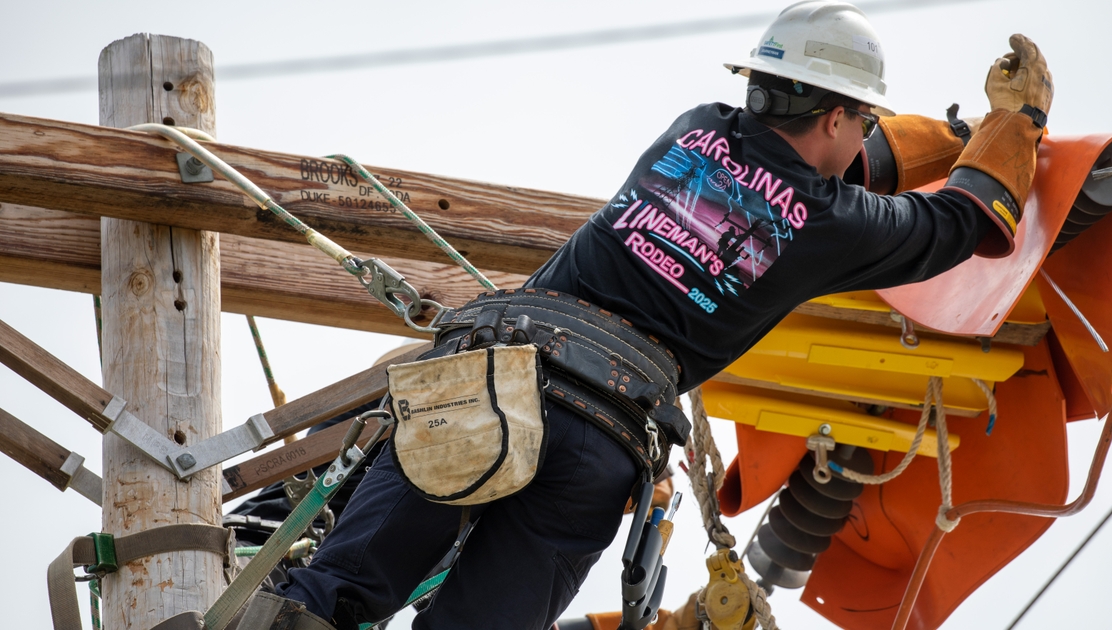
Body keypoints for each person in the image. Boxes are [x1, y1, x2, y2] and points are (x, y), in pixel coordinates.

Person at [238, 1, 1054, 628]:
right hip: (599, 440)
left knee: (327, 596)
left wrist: (948, 136)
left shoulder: (693, 132)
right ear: (839, 116)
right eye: (861, 117)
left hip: (493, 382)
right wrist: (1014, 127)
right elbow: (969, 223)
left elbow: (828, 156)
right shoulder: (830, 226)